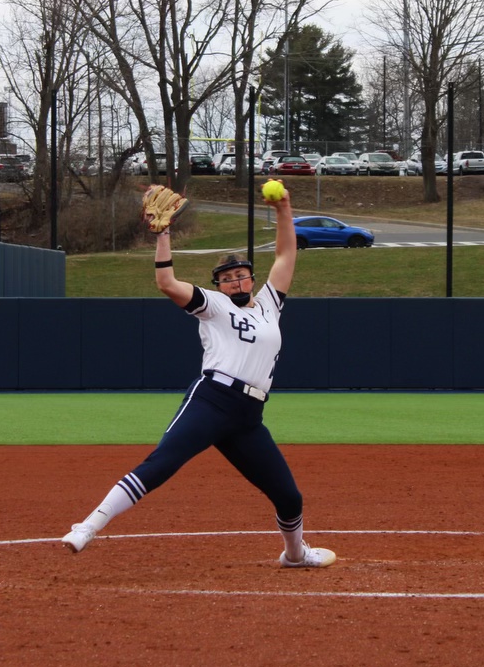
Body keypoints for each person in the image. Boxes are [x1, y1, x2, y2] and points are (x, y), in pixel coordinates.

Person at [60, 187, 335, 568]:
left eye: (241, 275)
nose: (235, 282)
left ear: (251, 279)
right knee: (161, 464)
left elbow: (287, 253)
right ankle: (88, 526)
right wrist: (163, 235)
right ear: (218, 284)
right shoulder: (213, 305)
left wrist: (286, 208)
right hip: (212, 400)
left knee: (289, 496)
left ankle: (295, 554)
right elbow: (167, 284)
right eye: (227, 278)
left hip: (248, 417)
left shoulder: (271, 304)